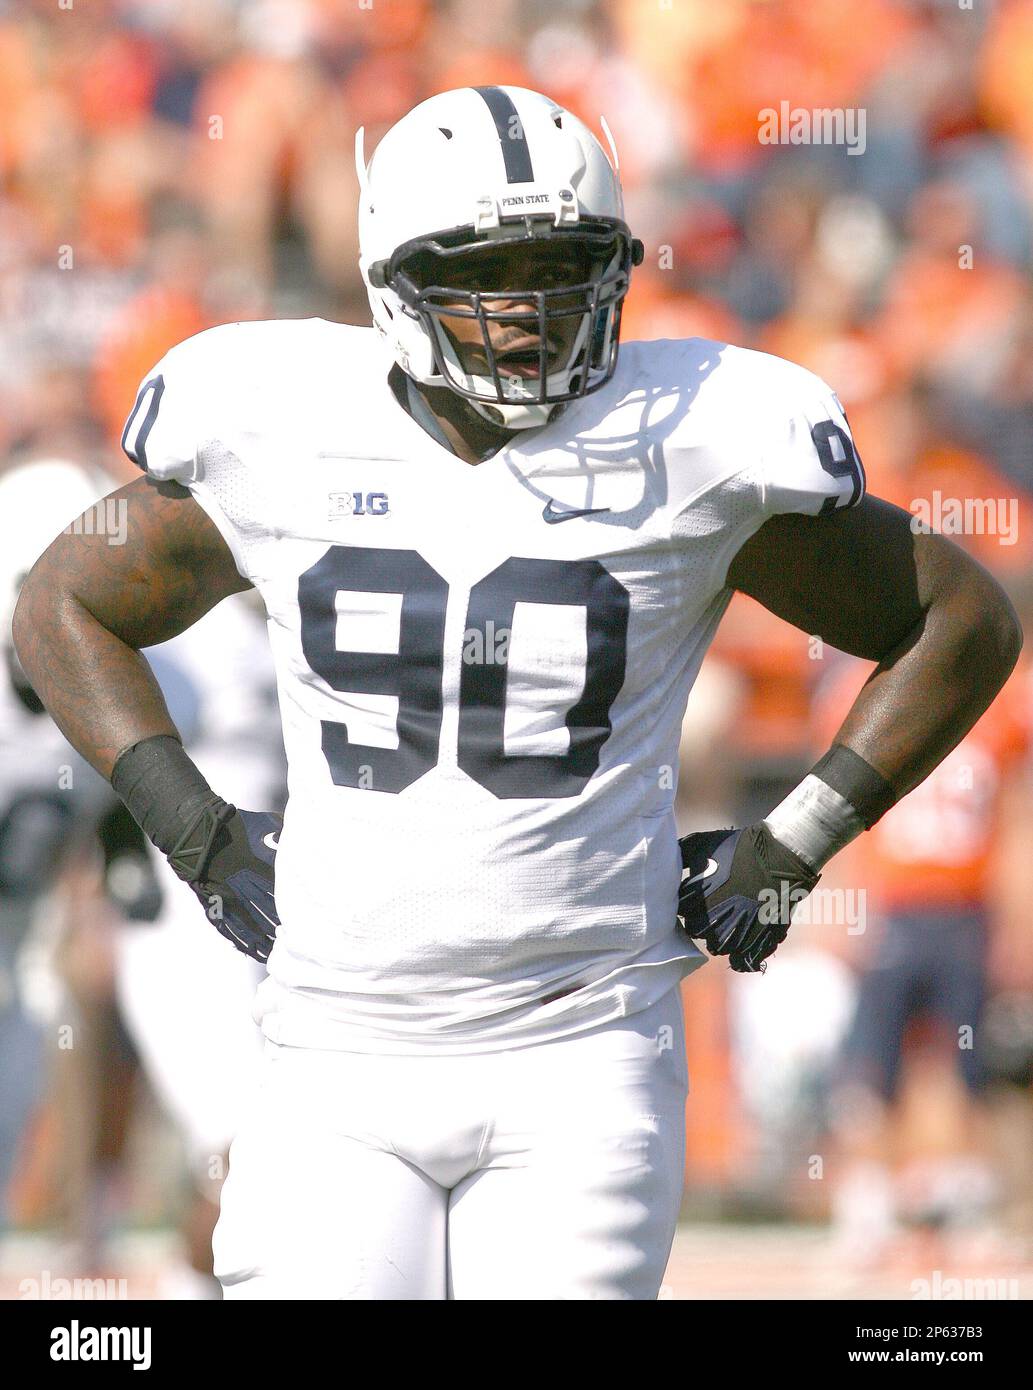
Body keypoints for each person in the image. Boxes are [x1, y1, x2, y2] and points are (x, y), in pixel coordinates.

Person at [12, 86, 1022, 1300]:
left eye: (567, 268)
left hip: (582, 1048)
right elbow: (61, 605)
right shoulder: (284, 426)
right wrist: (195, 830)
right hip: (337, 1046)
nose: (536, 311)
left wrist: (796, 838)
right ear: (394, 280)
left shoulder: (693, 437)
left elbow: (959, 616)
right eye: (494, 274)